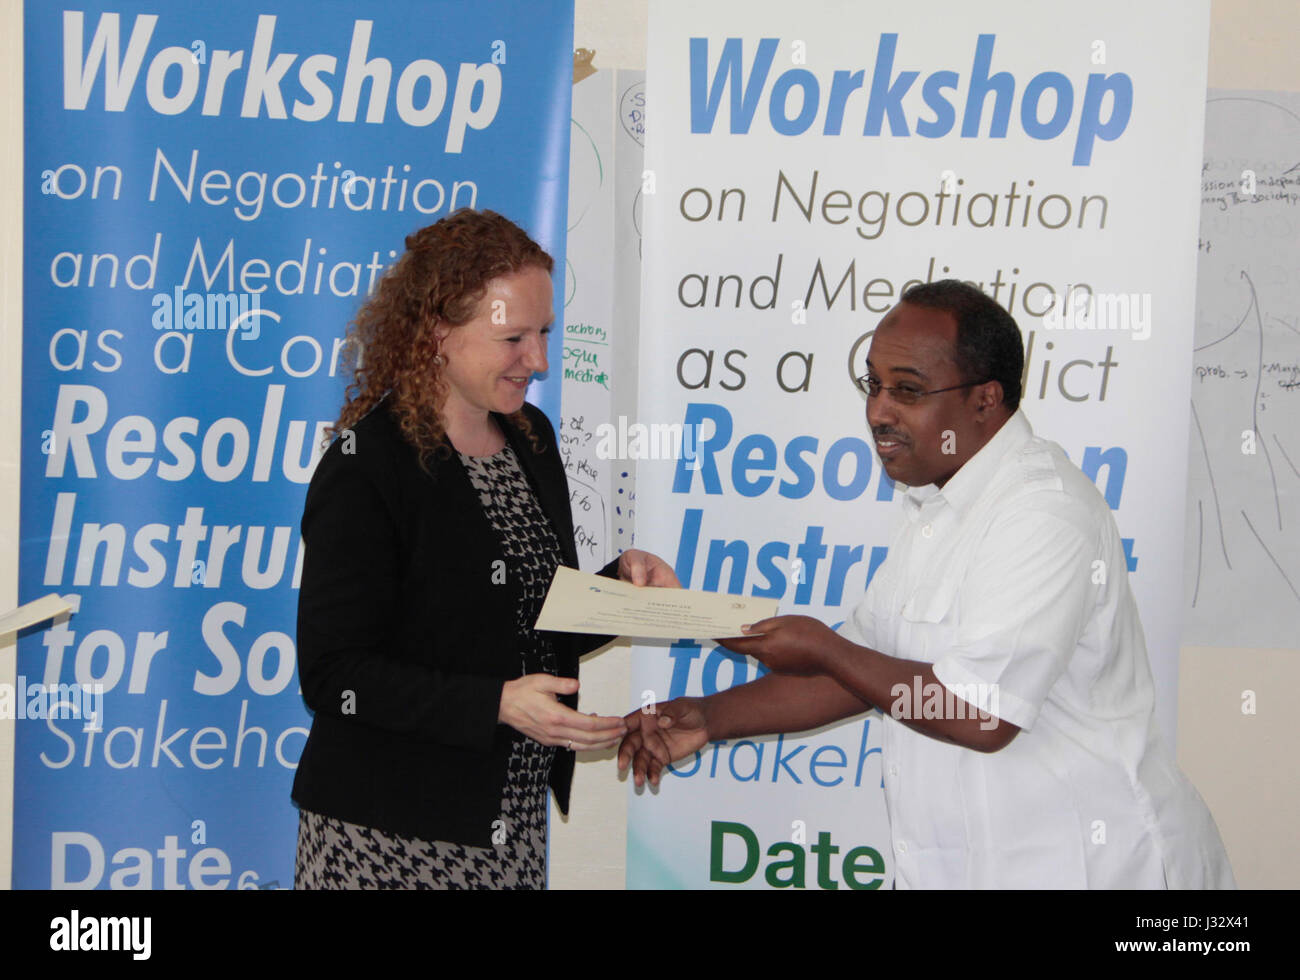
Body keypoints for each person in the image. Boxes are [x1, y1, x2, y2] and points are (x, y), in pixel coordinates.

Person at [619, 279, 1235, 889]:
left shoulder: (1042, 512)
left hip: (1093, 867)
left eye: (907, 391)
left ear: (985, 400)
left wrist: (826, 648)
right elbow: (856, 679)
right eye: (874, 384)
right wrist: (707, 716)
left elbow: (980, 713)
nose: (878, 412)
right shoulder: (937, 507)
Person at [292, 209, 676, 889]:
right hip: (388, 835)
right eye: (514, 338)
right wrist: (494, 703)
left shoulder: (531, 440)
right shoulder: (368, 466)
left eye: (545, 334)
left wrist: (620, 592)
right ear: (439, 332)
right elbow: (334, 673)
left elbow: (530, 625)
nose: (539, 360)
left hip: (507, 824)